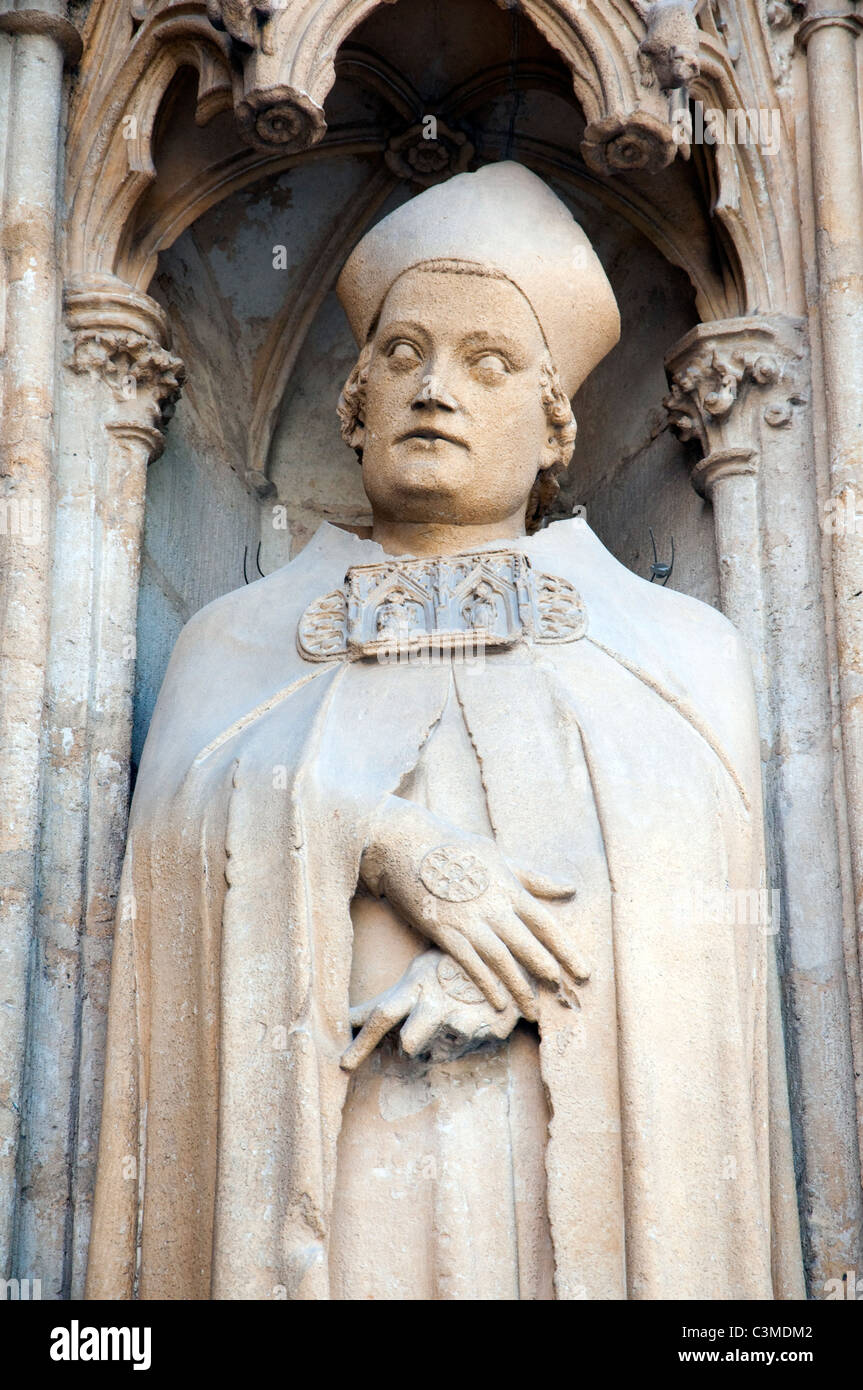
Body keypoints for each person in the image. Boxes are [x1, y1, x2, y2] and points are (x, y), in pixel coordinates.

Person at [86, 162, 803, 1301]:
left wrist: (537, 970)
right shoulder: (235, 639)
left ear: (554, 423)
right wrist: (385, 845)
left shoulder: (674, 644)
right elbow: (163, 881)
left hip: (571, 1170)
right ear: (354, 400)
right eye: (404, 353)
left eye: (487, 363)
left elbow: (705, 934)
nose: (435, 389)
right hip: (330, 1156)